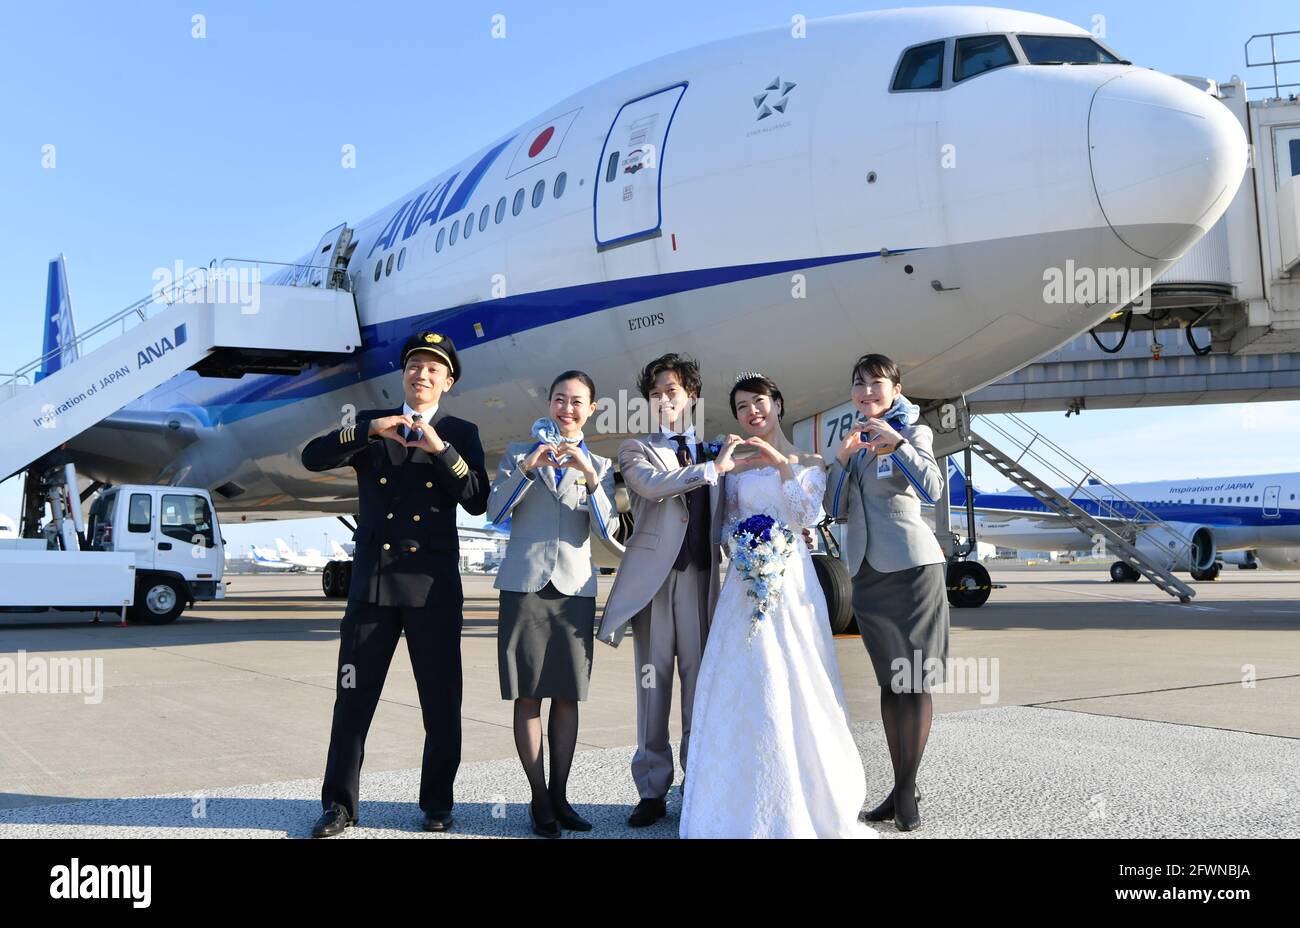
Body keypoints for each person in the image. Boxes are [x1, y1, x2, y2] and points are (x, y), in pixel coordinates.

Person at [301, 331, 489, 838]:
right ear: (403, 375)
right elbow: (312, 458)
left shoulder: (461, 432)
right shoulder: (371, 425)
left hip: (431, 590)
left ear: (447, 382)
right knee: (352, 700)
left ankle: (436, 804)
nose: (421, 374)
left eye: (433, 369)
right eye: (414, 366)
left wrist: (441, 450)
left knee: (441, 703)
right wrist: (367, 433)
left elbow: (476, 499)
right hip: (373, 590)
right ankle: (339, 805)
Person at [679, 373, 873, 839]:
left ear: (778, 404)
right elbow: (724, 530)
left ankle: (811, 798)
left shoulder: (809, 460)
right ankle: (734, 801)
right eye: (742, 406)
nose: (752, 412)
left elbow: (808, 516)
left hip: (793, 582)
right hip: (745, 582)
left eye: (759, 402)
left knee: (801, 675)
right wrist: (745, 545)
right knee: (747, 677)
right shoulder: (734, 467)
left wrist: (781, 465)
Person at [596, 353, 740, 828]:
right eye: (655, 394)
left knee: (700, 689)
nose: (662, 400)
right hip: (656, 584)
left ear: (691, 396)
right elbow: (652, 487)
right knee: (652, 687)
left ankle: (697, 783)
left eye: (671, 392)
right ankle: (652, 789)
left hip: (702, 581)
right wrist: (710, 469)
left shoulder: (715, 450)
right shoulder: (636, 448)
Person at [487, 370, 620, 838]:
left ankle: (561, 795)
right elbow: (495, 513)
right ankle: (538, 799)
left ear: (591, 409)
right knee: (528, 694)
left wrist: (589, 477)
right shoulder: (518, 456)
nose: (568, 408)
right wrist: (527, 470)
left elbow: (609, 531)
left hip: (574, 589)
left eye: (577, 401)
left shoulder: (599, 466)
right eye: (560, 399)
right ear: (548, 403)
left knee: (568, 694)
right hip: (524, 586)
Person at [823, 353, 949, 832]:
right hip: (868, 573)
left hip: (912, 570)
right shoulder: (853, 437)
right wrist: (841, 460)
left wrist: (896, 445)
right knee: (890, 683)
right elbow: (835, 509)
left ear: (896, 388)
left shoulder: (914, 433)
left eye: (877, 383)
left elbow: (934, 490)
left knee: (914, 681)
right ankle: (898, 790)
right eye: (859, 384)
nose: (867, 392)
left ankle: (906, 792)